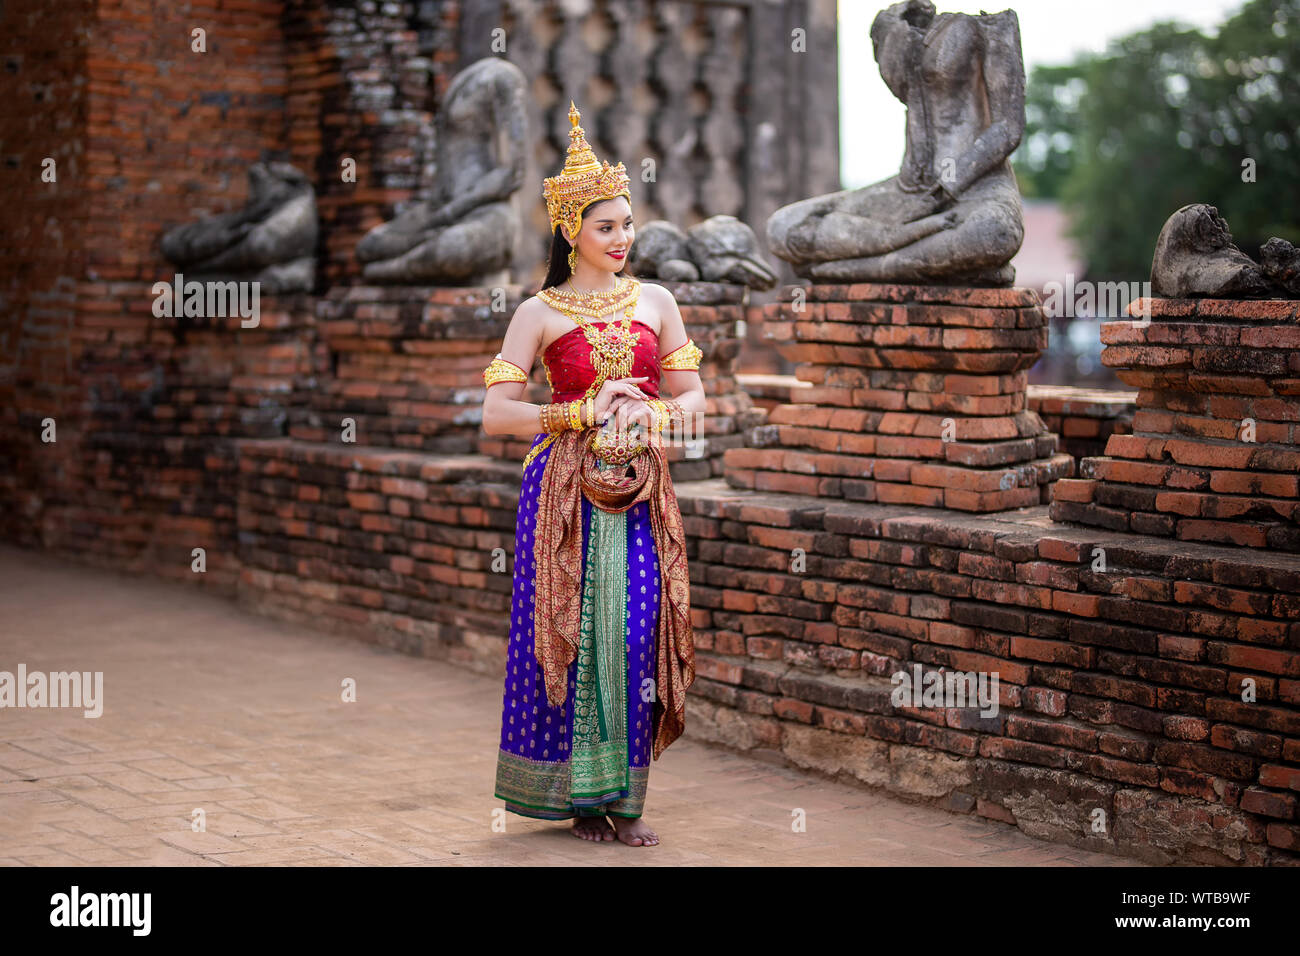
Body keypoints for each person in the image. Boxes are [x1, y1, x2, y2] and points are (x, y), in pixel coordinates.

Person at [481, 102, 706, 847]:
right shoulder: (539, 313)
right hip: (562, 493)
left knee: (637, 631)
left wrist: (657, 418)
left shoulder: (657, 301)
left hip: (639, 489)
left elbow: (694, 395)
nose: (622, 239)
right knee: (572, 633)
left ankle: (627, 796)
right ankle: (582, 798)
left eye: (627, 224)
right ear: (570, 230)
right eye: (606, 226)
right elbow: (496, 415)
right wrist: (579, 412)